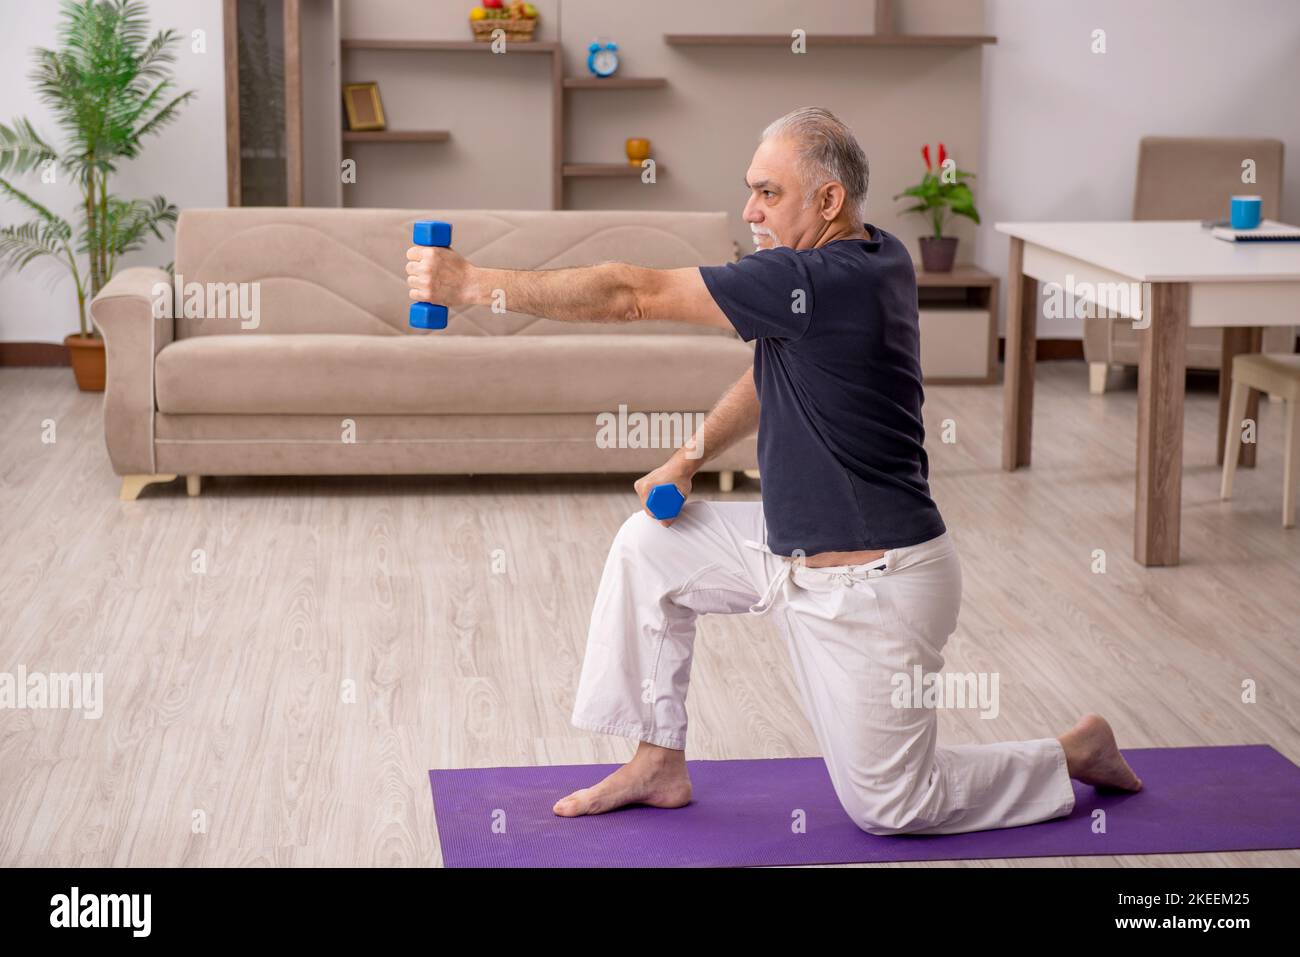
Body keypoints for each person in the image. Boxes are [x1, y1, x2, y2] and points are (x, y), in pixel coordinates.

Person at [405, 106, 1142, 835]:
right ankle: (659, 760)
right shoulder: (877, 253)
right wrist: (692, 455)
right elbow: (774, 371)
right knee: (648, 547)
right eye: (751, 188)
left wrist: (474, 286)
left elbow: (630, 293)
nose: (750, 209)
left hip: (872, 588)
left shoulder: (814, 279)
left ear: (828, 201)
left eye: (769, 193)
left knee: (893, 807)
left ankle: (1071, 752)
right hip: (789, 544)